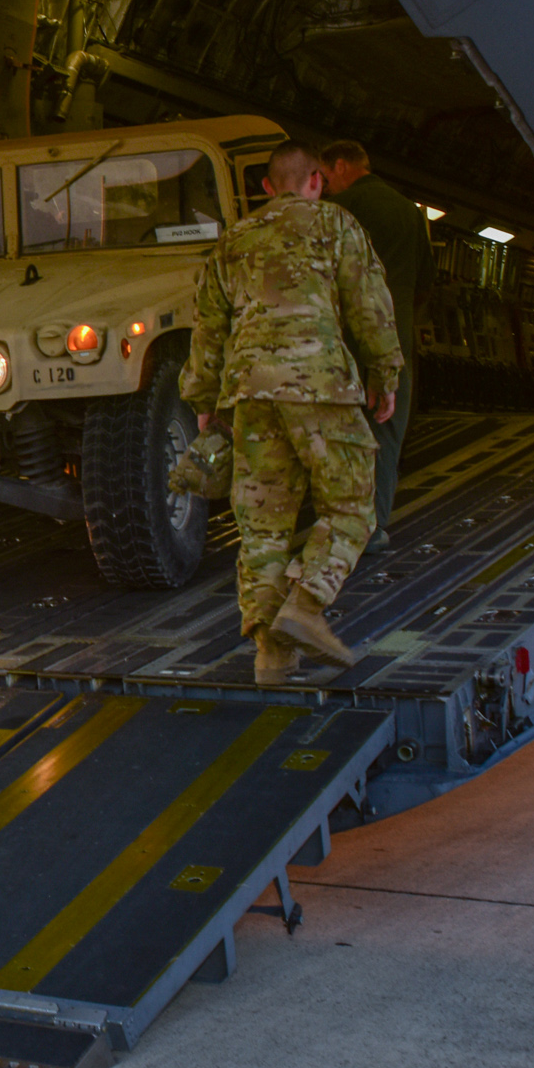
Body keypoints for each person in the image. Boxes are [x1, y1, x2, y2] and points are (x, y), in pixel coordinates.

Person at [176, 142, 402, 684]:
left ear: (266, 187)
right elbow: (368, 302)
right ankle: (306, 604)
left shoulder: (233, 240)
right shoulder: (336, 225)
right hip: (321, 387)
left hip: (251, 397)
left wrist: (205, 403)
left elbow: (208, 327)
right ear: (317, 180)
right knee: (351, 506)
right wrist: (384, 373)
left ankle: (271, 655)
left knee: (263, 528)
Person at [318, 140, 430, 543]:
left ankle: (343, 524)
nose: (325, 185)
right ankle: (375, 524)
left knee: (345, 432)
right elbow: (425, 282)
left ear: (341, 166)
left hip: (346, 339)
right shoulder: (409, 211)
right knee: (386, 431)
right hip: (396, 338)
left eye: (326, 176)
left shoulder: (338, 211)